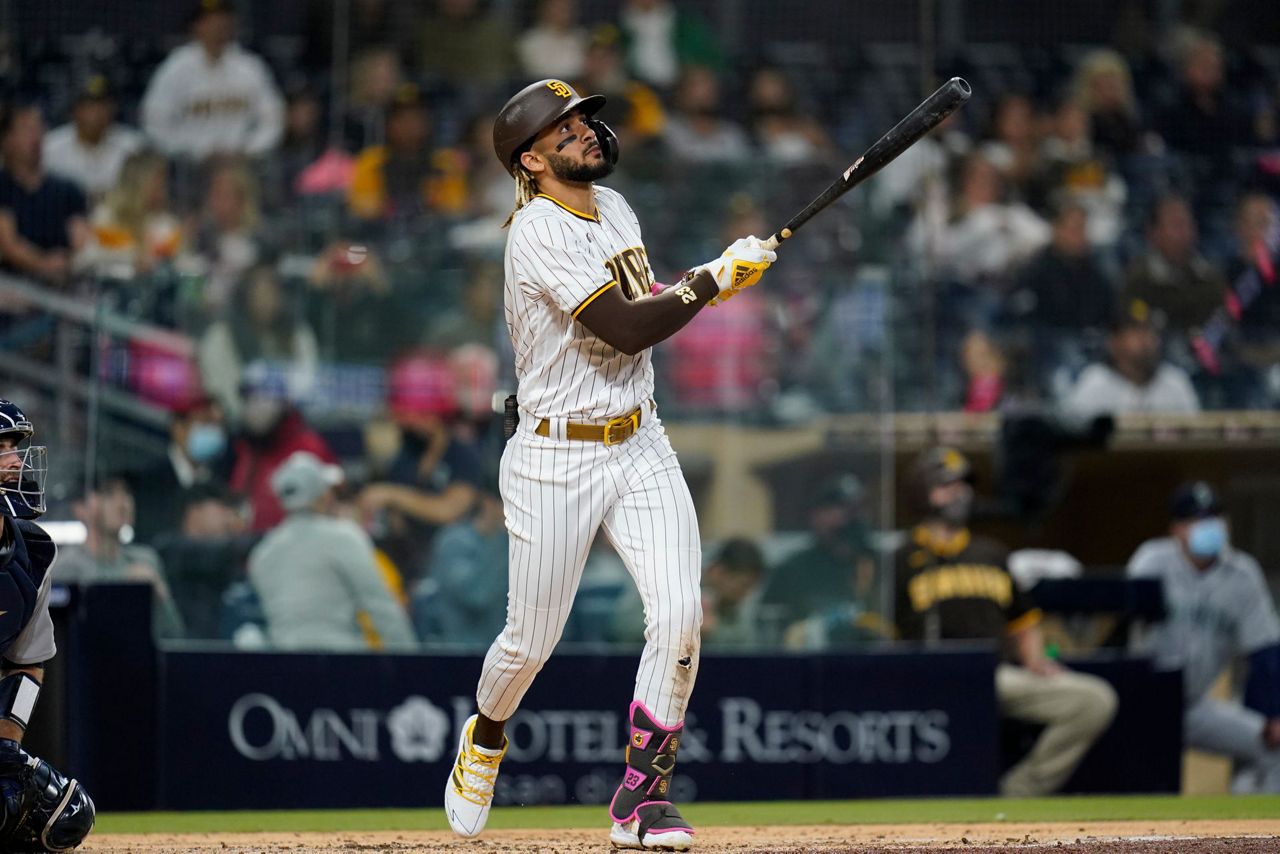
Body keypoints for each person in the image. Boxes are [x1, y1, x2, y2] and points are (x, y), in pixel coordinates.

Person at [443, 78, 775, 850]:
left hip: (638, 441)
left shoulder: (617, 209)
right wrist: (715, 281)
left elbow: (647, 300)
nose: (587, 131)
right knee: (529, 643)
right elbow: (625, 328)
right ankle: (487, 736)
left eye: (585, 119)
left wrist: (709, 280)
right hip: (554, 454)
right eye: (566, 128)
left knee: (681, 615)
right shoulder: (535, 232)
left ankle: (642, 797)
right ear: (530, 160)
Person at [893, 447, 1117, 796]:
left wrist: (1035, 659)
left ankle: (1018, 793)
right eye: (948, 485)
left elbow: (1023, 621)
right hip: (929, 677)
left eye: (964, 485)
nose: (961, 493)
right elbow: (882, 629)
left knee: (1094, 700)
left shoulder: (992, 554)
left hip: (994, 675)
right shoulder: (902, 557)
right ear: (922, 492)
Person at [1128, 481, 1280, 792]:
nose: (1208, 525)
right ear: (1176, 529)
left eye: (1213, 517)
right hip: (1142, 701)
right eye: (1196, 519)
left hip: (1194, 705)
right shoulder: (1151, 561)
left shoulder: (1243, 573)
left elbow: (1265, 652)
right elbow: (1118, 625)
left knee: (1273, 744)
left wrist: (1272, 714)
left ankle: (1250, 831)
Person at [0, 399, 96, 851]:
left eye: (15, 447)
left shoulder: (34, 552)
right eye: (1, 447)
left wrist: (5, 748)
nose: (15, 460)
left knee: (59, 816)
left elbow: (27, 663)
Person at [249, 452, 415, 651]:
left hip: (285, 667)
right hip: (341, 663)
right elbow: (381, 608)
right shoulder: (344, 537)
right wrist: (410, 666)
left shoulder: (262, 554)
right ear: (324, 495)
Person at [140, 0, 284, 163]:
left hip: (241, 163)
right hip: (189, 164)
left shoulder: (250, 67)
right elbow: (154, 122)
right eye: (211, 20)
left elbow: (273, 120)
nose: (218, 26)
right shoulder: (175, 68)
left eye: (224, 19)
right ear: (196, 26)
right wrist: (192, 151)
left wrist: (249, 149)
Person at [55, 476, 186, 639]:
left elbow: (173, 634)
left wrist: (158, 595)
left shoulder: (145, 560)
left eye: (126, 493)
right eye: (108, 494)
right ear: (80, 508)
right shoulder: (66, 567)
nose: (122, 503)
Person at [762, 473, 881, 648]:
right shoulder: (792, 570)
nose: (846, 519)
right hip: (810, 667)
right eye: (837, 508)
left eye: (855, 510)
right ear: (815, 515)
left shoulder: (878, 565)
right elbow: (770, 630)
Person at [0, 104, 90, 286]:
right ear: (6, 139)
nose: (35, 137)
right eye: (26, 129)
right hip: (13, 282)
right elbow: (8, 245)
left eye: (39, 128)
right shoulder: (3, 186)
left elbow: (81, 239)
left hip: (63, 282)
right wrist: (43, 263)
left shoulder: (67, 188)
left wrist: (70, 262)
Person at [1061, 304, 1200, 419]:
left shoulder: (1175, 383)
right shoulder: (1094, 384)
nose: (1146, 339)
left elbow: (1196, 442)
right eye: (1135, 331)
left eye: (1150, 330)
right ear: (1113, 341)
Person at [128, 394, 230, 545]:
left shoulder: (220, 486)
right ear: (178, 427)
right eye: (206, 423)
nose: (214, 432)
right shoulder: (147, 480)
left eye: (219, 425)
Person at [42, 74, 143, 200]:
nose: (97, 114)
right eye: (89, 107)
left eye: (103, 105)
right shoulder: (50, 147)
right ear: (75, 110)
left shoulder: (133, 146)